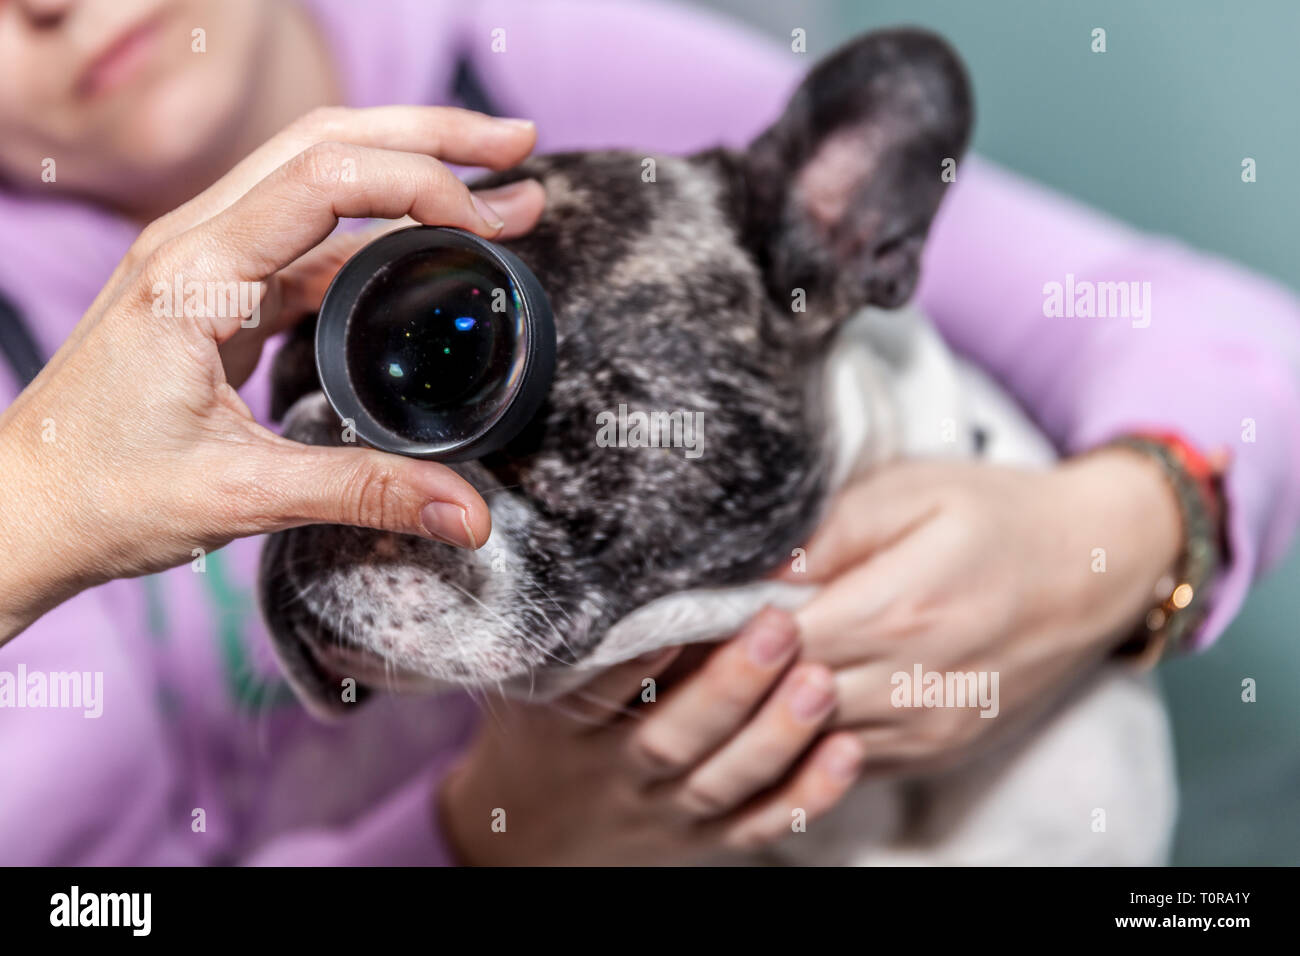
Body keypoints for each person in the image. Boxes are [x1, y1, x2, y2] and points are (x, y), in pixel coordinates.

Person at [0, 0, 1296, 865]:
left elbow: (1237, 338)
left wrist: (1120, 532)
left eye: (467, 351)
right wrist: (485, 843)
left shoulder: (537, 63)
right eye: (305, 402)